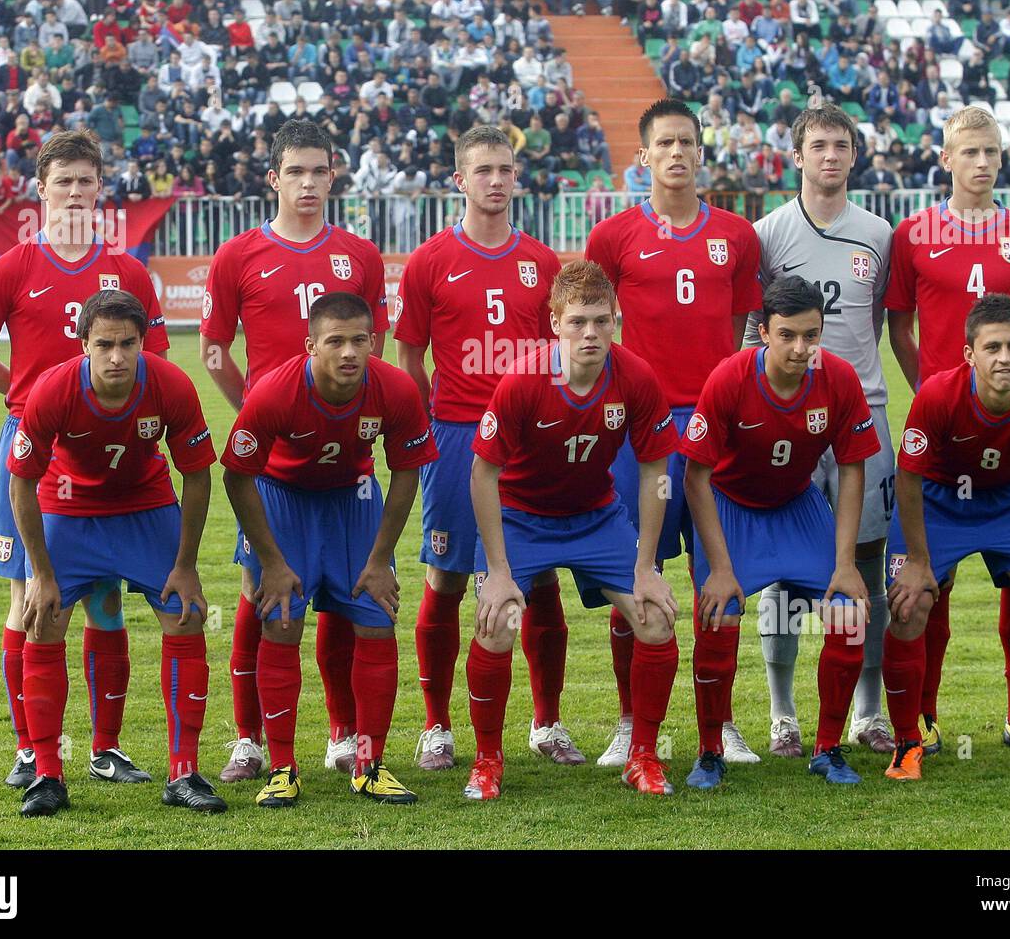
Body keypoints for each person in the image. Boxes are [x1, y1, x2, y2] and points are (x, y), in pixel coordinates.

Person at [0, 130, 170, 792]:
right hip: (32, 444)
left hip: (108, 449)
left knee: (106, 594)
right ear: (41, 189)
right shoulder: (12, 268)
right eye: (63, 182)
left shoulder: (128, 272)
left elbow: (157, 361)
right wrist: (29, 399)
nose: (75, 193)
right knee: (28, 597)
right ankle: (30, 749)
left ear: (100, 189)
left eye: (86, 181)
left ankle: (105, 749)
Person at [200, 119, 390, 783]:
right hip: (276, 469)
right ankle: (248, 740)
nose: (308, 184)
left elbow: (375, 345)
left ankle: (344, 736)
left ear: (333, 175)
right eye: (296, 172)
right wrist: (256, 415)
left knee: (346, 600)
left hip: (348, 468)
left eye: (320, 171)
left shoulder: (360, 255)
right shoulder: (237, 256)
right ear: (273, 177)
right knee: (262, 596)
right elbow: (216, 350)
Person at [584, 98, 761, 766]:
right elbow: (592, 323)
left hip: (716, 427)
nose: (678, 153)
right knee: (637, 572)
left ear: (700, 152)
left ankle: (721, 726)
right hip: (641, 431)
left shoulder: (737, 237)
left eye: (688, 141)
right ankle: (632, 723)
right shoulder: (613, 238)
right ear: (645, 157)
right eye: (665, 144)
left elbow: (750, 331)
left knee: (724, 572)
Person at [395, 125, 577, 772]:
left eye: (505, 169)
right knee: (444, 575)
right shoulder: (429, 261)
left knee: (540, 575)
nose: (496, 180)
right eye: (483, 170)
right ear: (460, 180)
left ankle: (547, 723)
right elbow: (410, 358)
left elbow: (559, 355)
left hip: (529, 438)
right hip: (454, 434)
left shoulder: (544, 264)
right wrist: (433, 428)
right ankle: (437, 726)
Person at [468, 260, 682, 798]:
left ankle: (644, 757)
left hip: (597, 516)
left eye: (602, 321)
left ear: (617, 321)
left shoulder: (636, 376)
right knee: (496, 621)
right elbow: (482, 475)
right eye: (579, 321)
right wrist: (496, 570)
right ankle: (488, 760)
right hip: (522, 517)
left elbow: (657, 473)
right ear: (555, 323)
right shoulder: (523, 379)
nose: (591, 333)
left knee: (655, 617)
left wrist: (646, 566)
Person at [8, 290, 223, 817]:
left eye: (128, 344)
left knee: (186, 617)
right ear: (84, 344)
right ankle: (47, 775)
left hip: (146, 509)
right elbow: (21, 484)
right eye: (104, 344)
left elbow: (196, 474)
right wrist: (39, 573)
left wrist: (186, 564)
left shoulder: (170, 385)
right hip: (70, 509)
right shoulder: (53, 389)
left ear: (142, 341)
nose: (116, 357)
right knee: (44, 621)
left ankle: (183, 772)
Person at [220, 292, 438, 806]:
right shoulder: (275, 392)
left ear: (373, 342)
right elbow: (236, 476)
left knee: (376, 620)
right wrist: (270, 561)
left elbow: (408, 469)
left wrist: (382, 557)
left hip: (354, 503)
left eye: (359, 340)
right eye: (335, 341)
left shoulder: (395, 389)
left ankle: (369, 763)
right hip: (283, 502)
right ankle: (282, 768)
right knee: (280, 621)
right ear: (311, 345)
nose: (349, 352)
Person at [885, 105, 1010, 758]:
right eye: (969, 152)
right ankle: (924, 714)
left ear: (1001, 158)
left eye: (991, 153)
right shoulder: (913, 234)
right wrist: (929, 389)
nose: (981, 163)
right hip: (941, 435)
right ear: (946, 157)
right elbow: (899, 325)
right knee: (929, 581)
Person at [683, 276, 880, 787]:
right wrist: (721, 569)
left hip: (797, 508)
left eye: (811, 335)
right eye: (788, 335)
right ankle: (709, 752)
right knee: (717, 616)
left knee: (847, 614)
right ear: (763, 332)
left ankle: (828, 749)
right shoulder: (729, 379)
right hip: (731, 510)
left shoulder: (837, 378)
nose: (800, 348)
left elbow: (853, 468)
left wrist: (844, 563)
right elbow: (696, 478)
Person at [883, 294, 1010, 779]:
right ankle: (907, 742)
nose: (1004, 357)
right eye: (992, 347)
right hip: (939, 504)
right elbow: (908, 476)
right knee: (909, 605)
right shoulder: (937, 394)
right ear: (969, 354)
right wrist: (917, 559)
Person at [745, 104, 897, 758]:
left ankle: (868, 711)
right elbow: (755, 329)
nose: (830, 156)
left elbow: (876, 325)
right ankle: (783, 714)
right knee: (782, 574)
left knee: (867, 564)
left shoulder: (879, 234)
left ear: (853, 156)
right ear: (797, 155)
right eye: (818, 146)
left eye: (841, 145)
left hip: (863, 413)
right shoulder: (768, 234)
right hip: (786, 425)